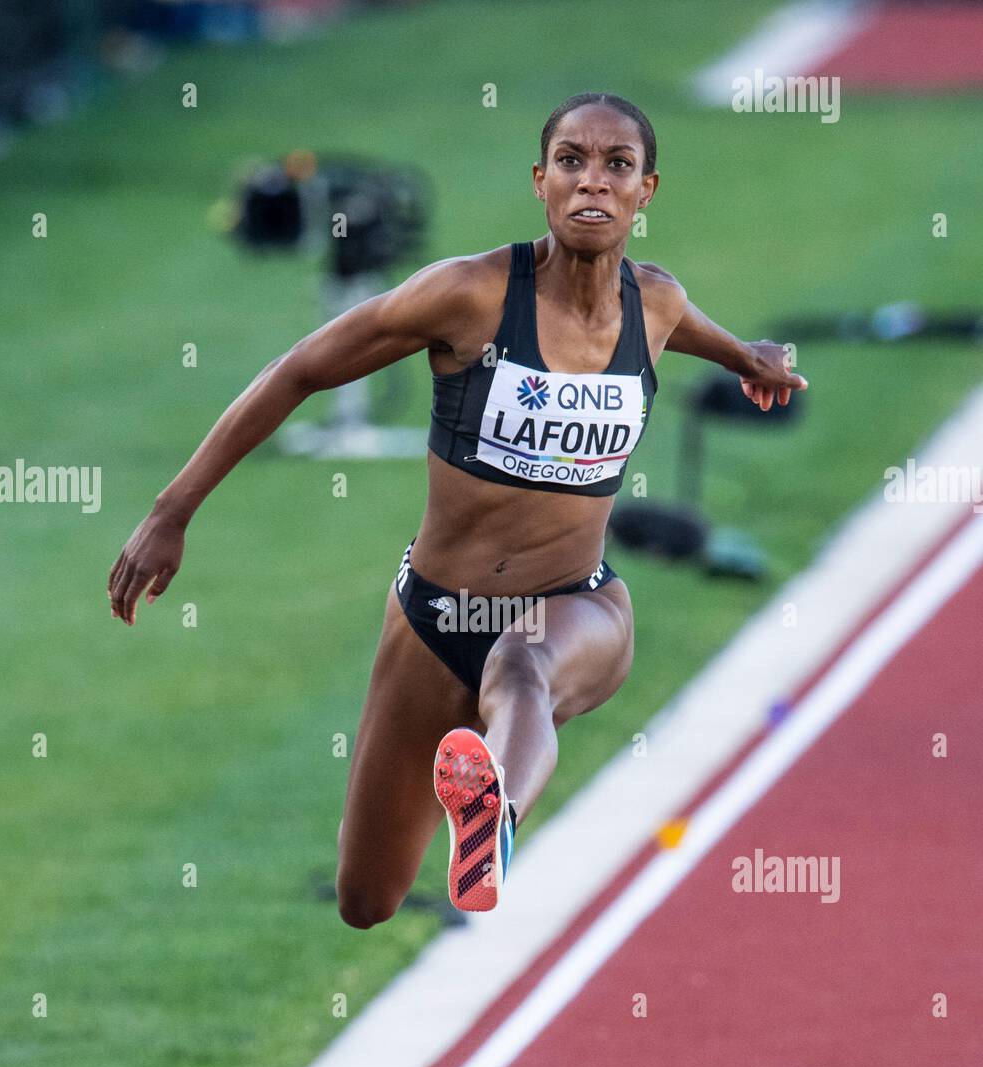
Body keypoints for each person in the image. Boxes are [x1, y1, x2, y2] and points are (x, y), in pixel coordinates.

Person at [108, 91, 807, 926]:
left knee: (524, 666)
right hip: (435, 617)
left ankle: (493, 818)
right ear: (540, 181)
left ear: (645, 190)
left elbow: (691, 326)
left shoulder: (652, 302)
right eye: (572, 163)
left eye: (616, 166)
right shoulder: (468, 296)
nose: (593, 183)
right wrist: (171, 510)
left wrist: (750, 359)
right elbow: (299, 371)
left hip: (576, 605)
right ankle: (469, 804)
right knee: (367, 898)